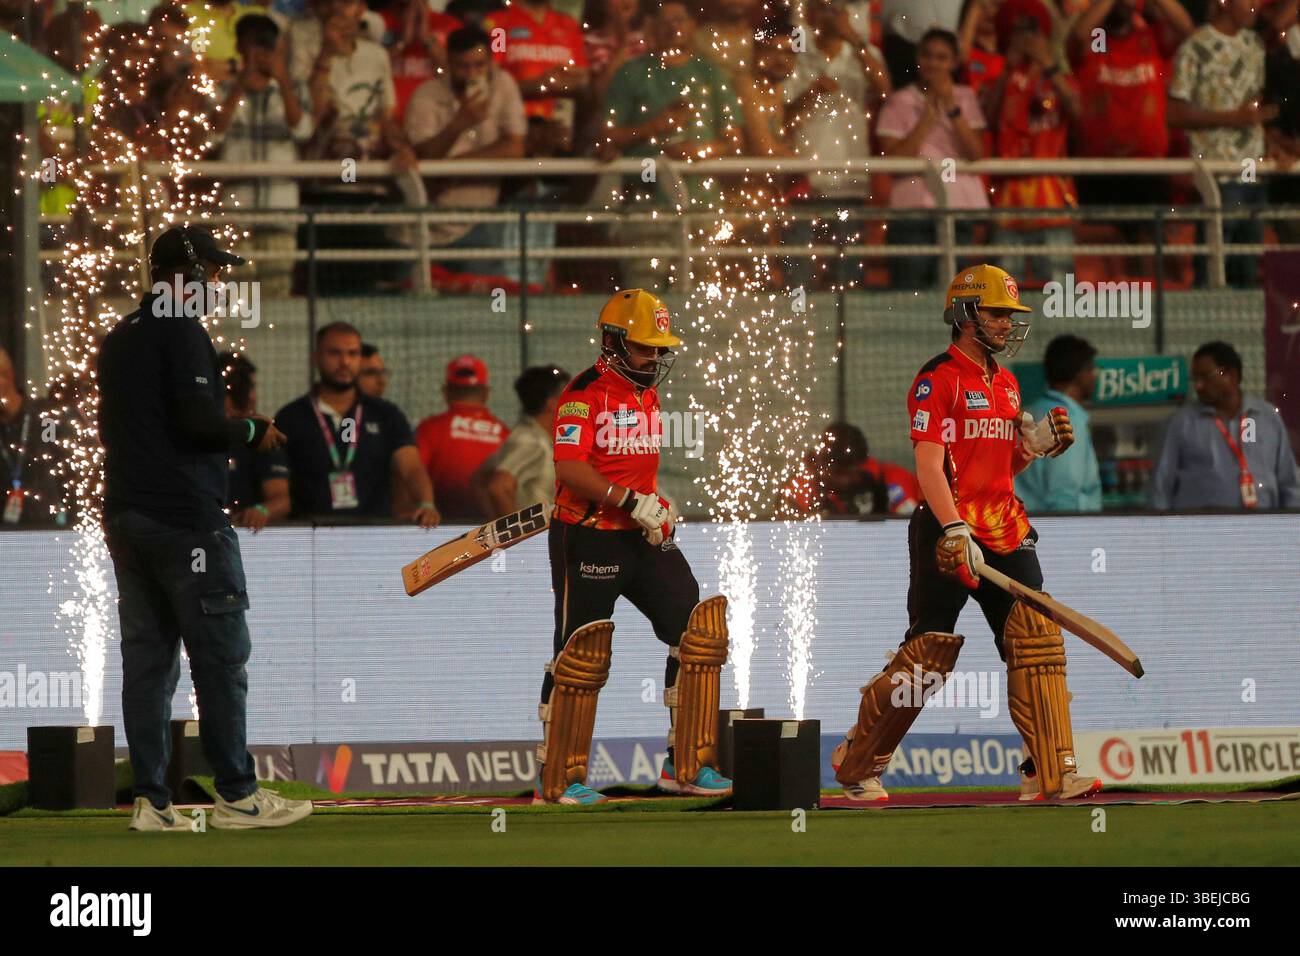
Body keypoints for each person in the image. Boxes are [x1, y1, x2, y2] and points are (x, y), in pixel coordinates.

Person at [831, 263, 1104, 804]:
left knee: (1035, 641)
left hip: (1005, 529)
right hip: (946, 530)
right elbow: (930, 466)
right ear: (965, 313)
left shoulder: (1005, 384)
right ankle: (857, 760)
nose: (1006, 323)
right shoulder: (937, 378)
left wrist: (1031, 451)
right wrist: (954, 526)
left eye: (1010, 314)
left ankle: (1047, 771)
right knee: (928, 656)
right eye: (997, 312)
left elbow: (1000, 473)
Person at [97, 224, 312, 830]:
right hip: (186, 522)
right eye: (214, 272)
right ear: (189, 274)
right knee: (219, 657)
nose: (218, 283)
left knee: (148, 661)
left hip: (127, 518)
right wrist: (248, 427)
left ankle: (149, 800)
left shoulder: (121, 337)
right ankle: (238, 795)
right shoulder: (181, 332)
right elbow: (195, 424)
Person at [535, 289, 733, 805]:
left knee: (696, 633)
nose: (656, 358)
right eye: (647, 347)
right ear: (614, 341)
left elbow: (636, 466)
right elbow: (571, 469)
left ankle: (686, 765)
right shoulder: (583, 393)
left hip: (638, 535)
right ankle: (559, 777)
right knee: (579, 653)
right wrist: (627, 499)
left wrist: (655, 506)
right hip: (587, 535)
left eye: (660, 348)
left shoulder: (647, 392)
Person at [599, 0, 744, 290]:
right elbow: (606, 137)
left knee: (704, 290)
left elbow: (733, 140)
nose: (673, 27)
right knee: (644, 292)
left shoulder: (713, 74)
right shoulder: (631, 73)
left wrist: (700, 152)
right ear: (652, 28)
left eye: (679, 19)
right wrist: (655, 127)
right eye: (664, 21)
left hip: (703, 203)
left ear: (692, 26)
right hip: (646, 204)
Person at [1067, 0, 1193, 276]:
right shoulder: (1095, 43)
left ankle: (1157, 311)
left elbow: (1186, 30)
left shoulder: (1151, 39)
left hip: (1148, 166)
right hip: (1100, 168)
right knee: (1111, 247)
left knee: (1151, 242)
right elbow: (1077, 36)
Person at [274, 322, 439, 524]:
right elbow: (276, 484)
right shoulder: (291, 417)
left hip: (375, 533)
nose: (344, 362)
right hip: (311, 536)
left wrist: (426, 503)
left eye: (352, 354)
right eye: (335, 353)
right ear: (316, 357)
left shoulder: (386, 414)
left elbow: (411, 466)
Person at [404, 24, 527, 282]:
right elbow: (423, 156)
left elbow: (515, 148)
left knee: (483, 310)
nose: (472, 74)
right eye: (463, 67)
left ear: (491, 61)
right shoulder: (426, 95)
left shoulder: (503, 84)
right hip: (426, 227)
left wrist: (454, 168)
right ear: (448, 63)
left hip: (480, 223)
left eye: (479, 65)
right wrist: (459, 124)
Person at [783, 0, 892, 290]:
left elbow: (885, 91)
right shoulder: (796, 55)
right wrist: (810, 94)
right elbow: (782, 120)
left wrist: (854, 39)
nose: (828, 13)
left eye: (835, 7)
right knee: (799, 281)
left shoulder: (865, 54)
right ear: (810, 13)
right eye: (821, 7)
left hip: (850, 183)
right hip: (804, 185)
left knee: (847, 281)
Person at [1168, 0, 1273, 288]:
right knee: (1212, 274)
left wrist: (1275, 144)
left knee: (1247, 273)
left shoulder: (1256, 46)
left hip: (1255, 173)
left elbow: (1261, 109)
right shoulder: (1195, 47)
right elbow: (1174, 114)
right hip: (1217, 177)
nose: (1256, 5)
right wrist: (1231, 118)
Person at [211, 13, 312, 298]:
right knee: (235, 297)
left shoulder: (295, 89)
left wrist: (281, 79)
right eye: (252, 44)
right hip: (235, 210)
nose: (260, 52)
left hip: (280, 210)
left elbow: (302, 130)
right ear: (240, 47)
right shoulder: (222, 90)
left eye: (265, 44)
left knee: (276, 293)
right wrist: (240, 85)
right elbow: (213, 134)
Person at [877, 29, 987, 290]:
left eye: (942, 58)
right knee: (910, 296)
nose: (933, 64)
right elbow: (891, 159)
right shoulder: (899, 101)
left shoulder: (966, 98)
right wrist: (925, 121)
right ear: (918, 58)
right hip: (912, 212)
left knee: (957, 298)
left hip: (959, 211)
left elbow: (976, 154)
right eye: (927, 56)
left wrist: (951, 110)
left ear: (954, 62)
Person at [985, 0, 1081, 285]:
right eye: (1017, 31)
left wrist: (1049, 65)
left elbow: (1079, 111)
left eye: (1032, 31)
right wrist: (1006, 71)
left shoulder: (1059, 77)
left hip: (1052, 199)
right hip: (1007, 200)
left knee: (1059, 288)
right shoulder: (999, 76)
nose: (1025, 38)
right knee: (1003, 293)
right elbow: (988, 120)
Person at [1150, 341, 1300, 510]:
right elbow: (1160, 487)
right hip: (1201, 531)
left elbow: (1289, 483)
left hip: (1262, 529)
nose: (1198, 386)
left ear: (1231, 375)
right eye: (1195, 379)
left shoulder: (1268, 417)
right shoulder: (1180, 423)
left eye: (1205, 377)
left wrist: (1292, 528)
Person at [414, 355, 509, 522]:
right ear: (486, 393)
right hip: (492, 532)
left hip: (440, 529)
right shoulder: (504, 433)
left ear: (446, 392)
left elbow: (412, 474)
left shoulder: (429, 429)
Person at [483, 0, 588, 149]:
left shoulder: (569, 24)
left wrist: (575, 83)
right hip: (513, 135)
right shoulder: (498, 24)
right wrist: (537, 86)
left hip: (562, 135)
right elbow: (489, 82)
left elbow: (583, 77)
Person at [1015, 335, 1103, 512]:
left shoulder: (1029, 412)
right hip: (1057, 531)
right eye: (1092, 369)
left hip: (1024, 528)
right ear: (1080, 375)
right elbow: (1064, 497)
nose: (1095, 375)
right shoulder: (1067, 420)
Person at [472, 364, 569, 517]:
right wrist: (516, 537)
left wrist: (492, 521)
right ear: (552, 403)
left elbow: (479, 479)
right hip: (537, 539)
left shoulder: (531, 437)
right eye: (568, 396)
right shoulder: (531, 441)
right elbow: (498, 487)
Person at [783, 422, 923, 516]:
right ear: (821, 464)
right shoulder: (801, 488)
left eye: (854, 471)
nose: (848, 479)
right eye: (840, 473)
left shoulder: (893, 482)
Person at [218, 352, 291, 530]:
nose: (250, 397)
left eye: (251, 388)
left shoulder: (261, 434)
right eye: (239, 388)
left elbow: (282, 498)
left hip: (244, 535)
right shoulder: (195, 432)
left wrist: (262, 510)